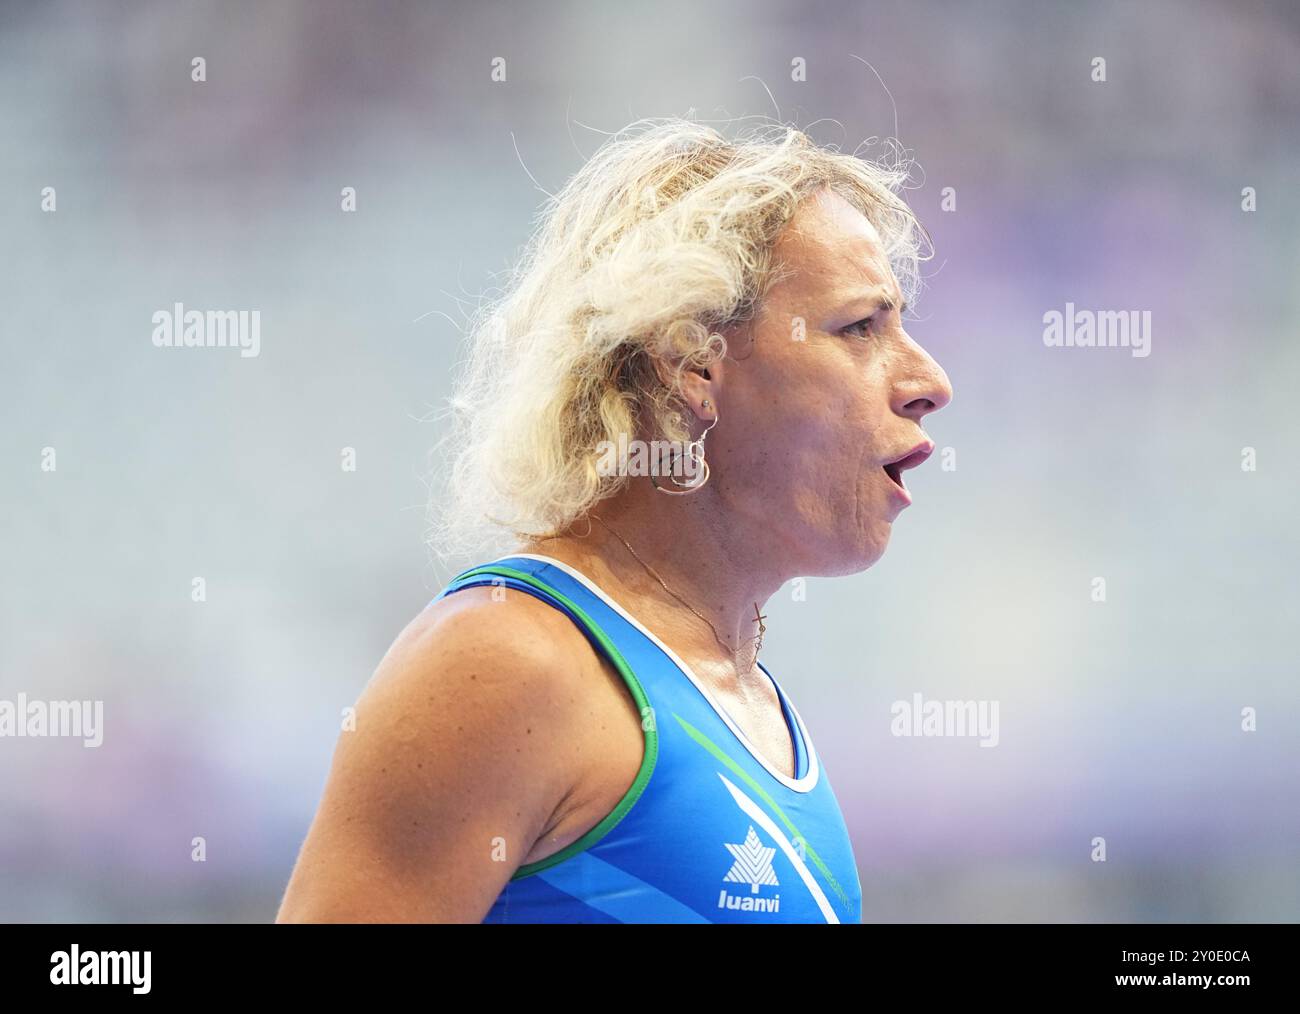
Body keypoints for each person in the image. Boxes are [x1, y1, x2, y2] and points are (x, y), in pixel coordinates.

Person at [276, 118, 952, 923]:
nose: (930, 381)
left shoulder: (755, 710)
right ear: (693, 365)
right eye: (861, 327)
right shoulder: (510, 662)